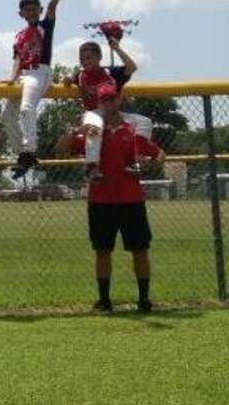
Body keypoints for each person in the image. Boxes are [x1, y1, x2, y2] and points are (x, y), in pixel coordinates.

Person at [59, 82, 164, 313]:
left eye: (112, 98)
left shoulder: (133, 129)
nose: (108, 103)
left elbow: (158, 154)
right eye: (104, 100)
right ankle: (104, 300)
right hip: (100, 200)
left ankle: (144, 299)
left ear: (119, 100)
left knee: (140, 249)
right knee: (103, 250)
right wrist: (73, 131)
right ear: (99, 103)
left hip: (131, 200)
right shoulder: (93, 132)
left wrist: (150, 166)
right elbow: (62, 148)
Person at [2, 0, 68, 178]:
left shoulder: (44, 26)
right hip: (23, 75)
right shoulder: (19, 35)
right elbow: (17, 59)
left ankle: (29, 150)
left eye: (34, 9)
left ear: (39, 10)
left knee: (26, 109)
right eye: (27, 10)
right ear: (20, 13)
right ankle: (23, 153)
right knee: (6, 117)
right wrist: (12, 78)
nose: (31, 12)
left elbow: (52, 5)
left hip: (39, 71)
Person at [64, 39, 151, 181]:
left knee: (144, 122)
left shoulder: (110, 72)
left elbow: (132, 67)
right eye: (82, 59)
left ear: (99, 57)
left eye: (89, 58)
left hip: (113, 113)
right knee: (94, 127)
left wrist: (116, 48)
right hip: (93, 112)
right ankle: (91, 167)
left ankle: (136, 159)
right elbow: (69, 78)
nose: (85, 62)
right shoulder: (80, 75)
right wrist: (67, 79)